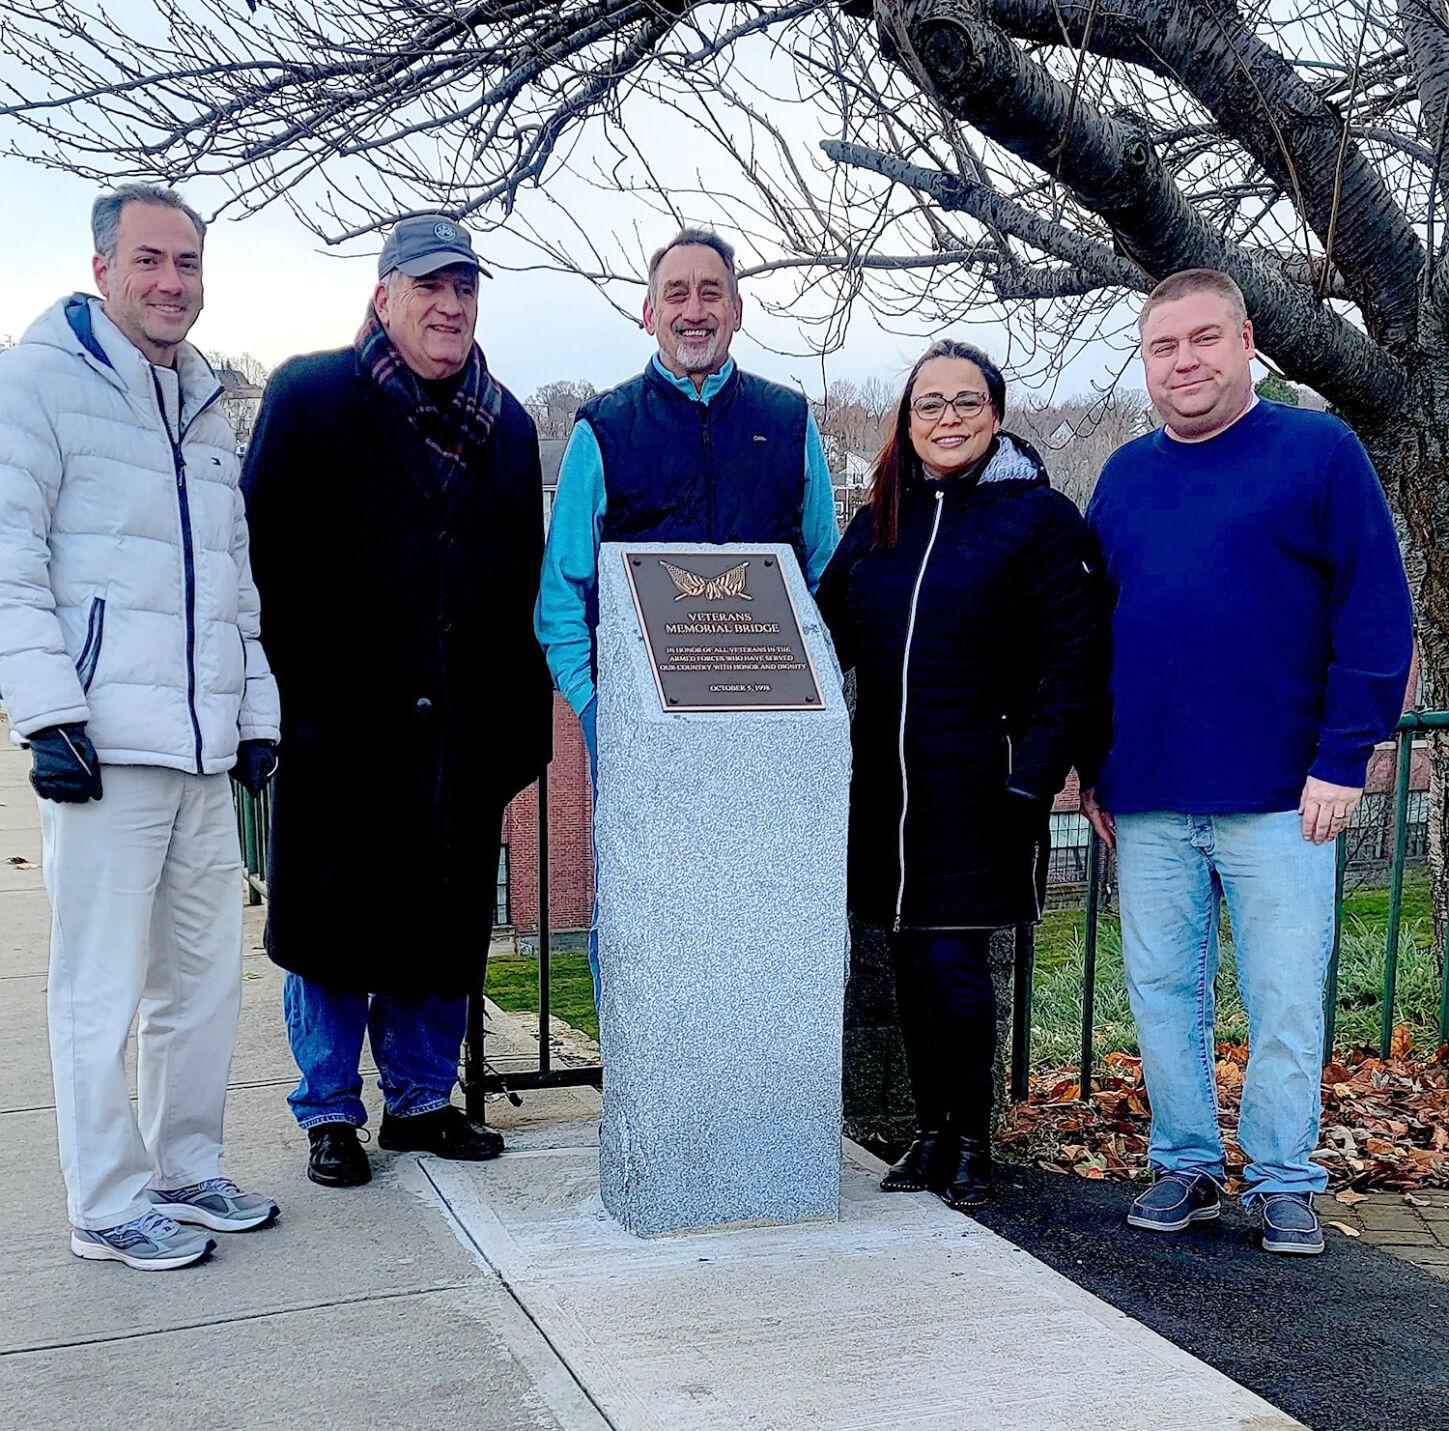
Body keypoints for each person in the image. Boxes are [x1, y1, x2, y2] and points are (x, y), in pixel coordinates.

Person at [1083, 269, 1413, 1256]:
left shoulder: (1318, 452)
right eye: (1163, 347)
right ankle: (1185, 1166)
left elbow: (1374, 614)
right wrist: (1097, 766)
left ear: (1247, 342)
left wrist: (1342, 759)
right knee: (1162, 994)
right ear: (1147, 364)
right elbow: (1092, 633)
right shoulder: (1125, 478)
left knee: (1280, 997)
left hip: (1284, 795)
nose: (1184, 362)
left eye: (1203, 340)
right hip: (1146, 797)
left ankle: (1282, 1178)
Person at [0, 184, 282, 1270]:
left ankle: (185, 1163)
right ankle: (106, 1200)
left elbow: (232, 585)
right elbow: (12, 563)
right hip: (105, 747)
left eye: (190, 264)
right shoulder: (36, 385)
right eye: (152, 261)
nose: (173, 284)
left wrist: (255, 716)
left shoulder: (204, 402)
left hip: (204, 752)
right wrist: (50, 714)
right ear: (103, 266)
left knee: (205, 981)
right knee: (99, 986)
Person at [241, 216, 552, 1188]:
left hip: (460, 730)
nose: (451, 306)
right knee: (333, 934)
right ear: (384, 297)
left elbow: (521, 582)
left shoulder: (505, 424)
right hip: (341, 724)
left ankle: (420, 1102)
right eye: (430, 288)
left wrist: (516, 732)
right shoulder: (309, 396)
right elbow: (258, 556)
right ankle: (329, 1110)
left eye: (465, 289)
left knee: (438, 927)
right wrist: (288, 701)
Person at [817, 339, 1103, 1210]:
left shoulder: (1040, 521)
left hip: (981, 785)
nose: (947, 418)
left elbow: (1074, 659)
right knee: (905, 961)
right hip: (886, 787)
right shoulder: (879, 523)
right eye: (928, 404)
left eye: (964, 401)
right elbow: (821, 631)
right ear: (906, 422)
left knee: (952, 961)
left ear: (995, 412)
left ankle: (972, 1136)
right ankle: (931, 1128)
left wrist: (1034, 775)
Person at [536, 226, 839, 997]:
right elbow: (560, 597)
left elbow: (826, 575)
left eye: (711, 293)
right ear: (648, 312)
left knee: (762, 915)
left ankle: (744, 1095)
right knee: (640, 918)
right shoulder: (602, 430)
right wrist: (601, 710)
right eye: (677, 293)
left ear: (737, 311)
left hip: (766, 732)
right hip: (641, 735)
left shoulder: (788, 420)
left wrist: (814, 705)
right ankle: (640, 1101)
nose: (693, 310)